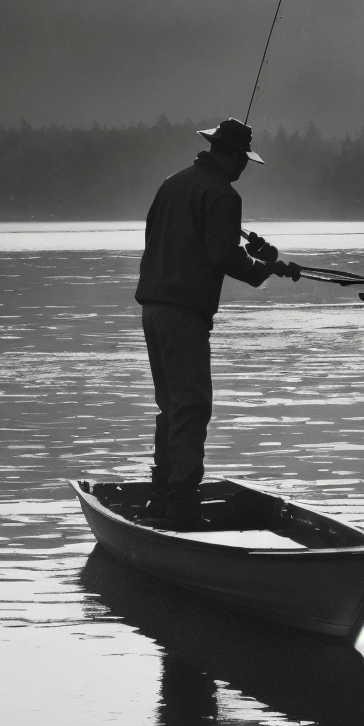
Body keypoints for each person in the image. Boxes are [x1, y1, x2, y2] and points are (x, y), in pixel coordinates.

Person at [135, 117, 300, 527]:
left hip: (153, 310)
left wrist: (259, 257)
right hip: (184, 314)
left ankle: (162, 492)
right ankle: (182, 507)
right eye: (242, 160)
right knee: (192, 408)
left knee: (171, 407)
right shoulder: (222, 195)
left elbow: (163, 237)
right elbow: (223, 256)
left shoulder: (173, 183)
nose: (244, 168)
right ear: (227, 155)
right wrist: (264, 267)